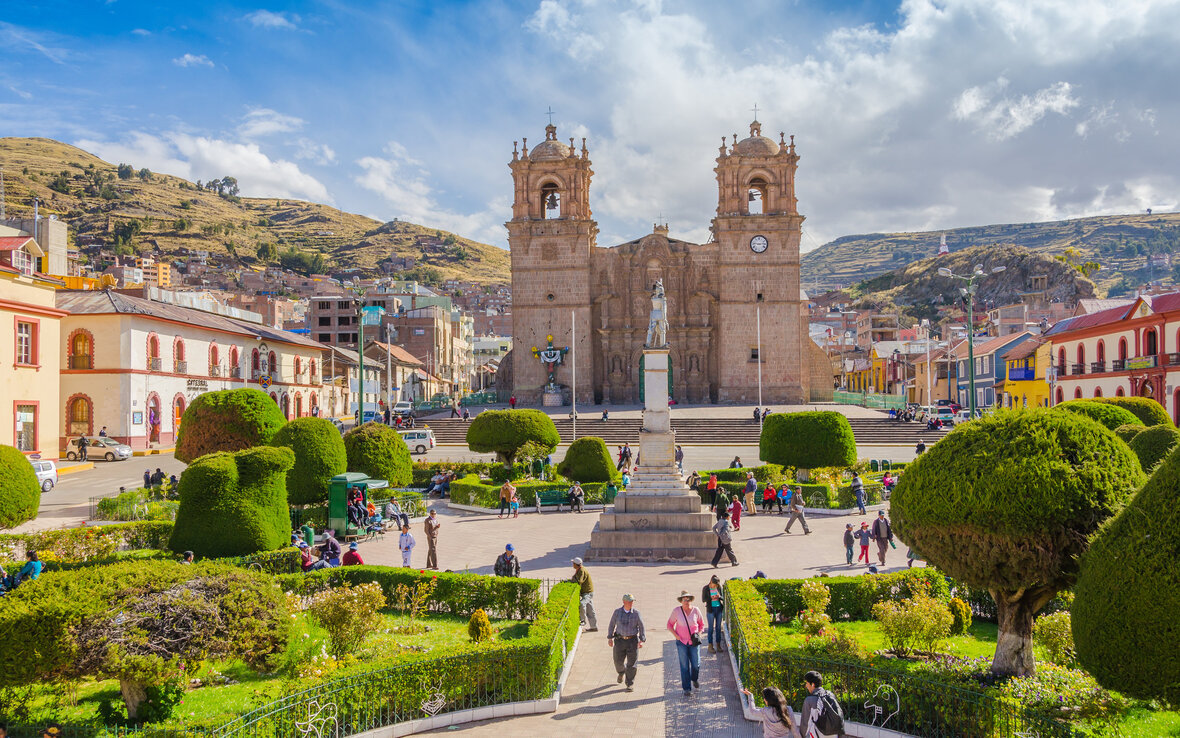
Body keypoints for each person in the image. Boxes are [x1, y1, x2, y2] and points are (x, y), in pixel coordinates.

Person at [667, 591, 705, 696]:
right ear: (681, 601)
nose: (686, 601)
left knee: (696, 664)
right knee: (684, 666)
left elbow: (702, 624)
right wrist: (676, 636)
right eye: (684, 599)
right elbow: (669, 625)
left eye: (688, 599)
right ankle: (686, 688)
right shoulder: (677, 611)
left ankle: (694, 678)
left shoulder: (696, 610)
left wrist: (699, 634)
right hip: (682, 642)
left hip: (694, 643)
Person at [607, 593, 646, 692]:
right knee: (618, 661)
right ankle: (621, 672)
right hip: (619, 640)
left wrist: (642, 640)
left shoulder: (636, 613)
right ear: (624, 602)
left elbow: (641, 627)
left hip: (632, 641)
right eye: (629, 601)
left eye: (632, 601)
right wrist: (610, 638)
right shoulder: (617, 612)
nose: (631, 603)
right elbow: (611, 625)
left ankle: (629, 683)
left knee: (632, 664)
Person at [801, 670, 844, 738]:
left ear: (812, 684)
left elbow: (805, 724)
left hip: (819, 734)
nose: (806, 686)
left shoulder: (809, 700)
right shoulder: (830, 695)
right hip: (834, 735)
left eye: (807, 683)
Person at [571, 557, 597, 632]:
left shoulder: (582, 571)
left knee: (582, 604)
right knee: (590, 610)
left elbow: (580, 581)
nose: (572, 565)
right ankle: (593, 627)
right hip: (587, 592)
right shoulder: (579, 569)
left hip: (587, 593)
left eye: (573, 563)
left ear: (576, 564)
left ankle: (582, 621)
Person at [701, 575, 725, 653]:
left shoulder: (718, 587)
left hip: (719, 609)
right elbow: (703, 599)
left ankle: (718, 645)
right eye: (715, 584)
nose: (716, 586)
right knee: (711, 628)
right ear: (711, 582)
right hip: (710, 610)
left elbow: (722, 597)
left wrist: (719, 596)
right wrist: (711, 598)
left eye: (717, 585)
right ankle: (710, 645)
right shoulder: (706, 588)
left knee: (718, 628)